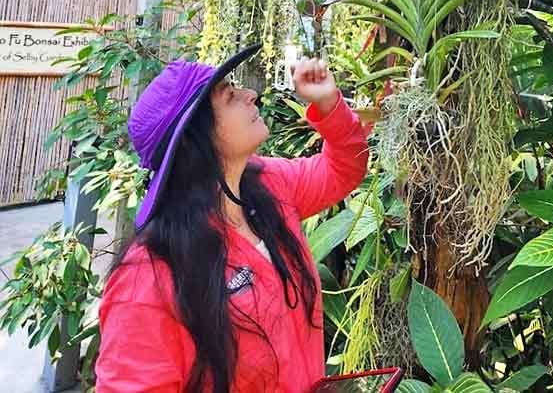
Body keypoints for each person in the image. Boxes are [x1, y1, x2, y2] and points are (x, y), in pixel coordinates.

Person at [95, 45, 370, 393]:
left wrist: (329, 105)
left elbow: (341, 171)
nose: (251, 95)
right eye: (229, 95)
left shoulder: (268, 184)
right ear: (197, 138)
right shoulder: (148, 279)